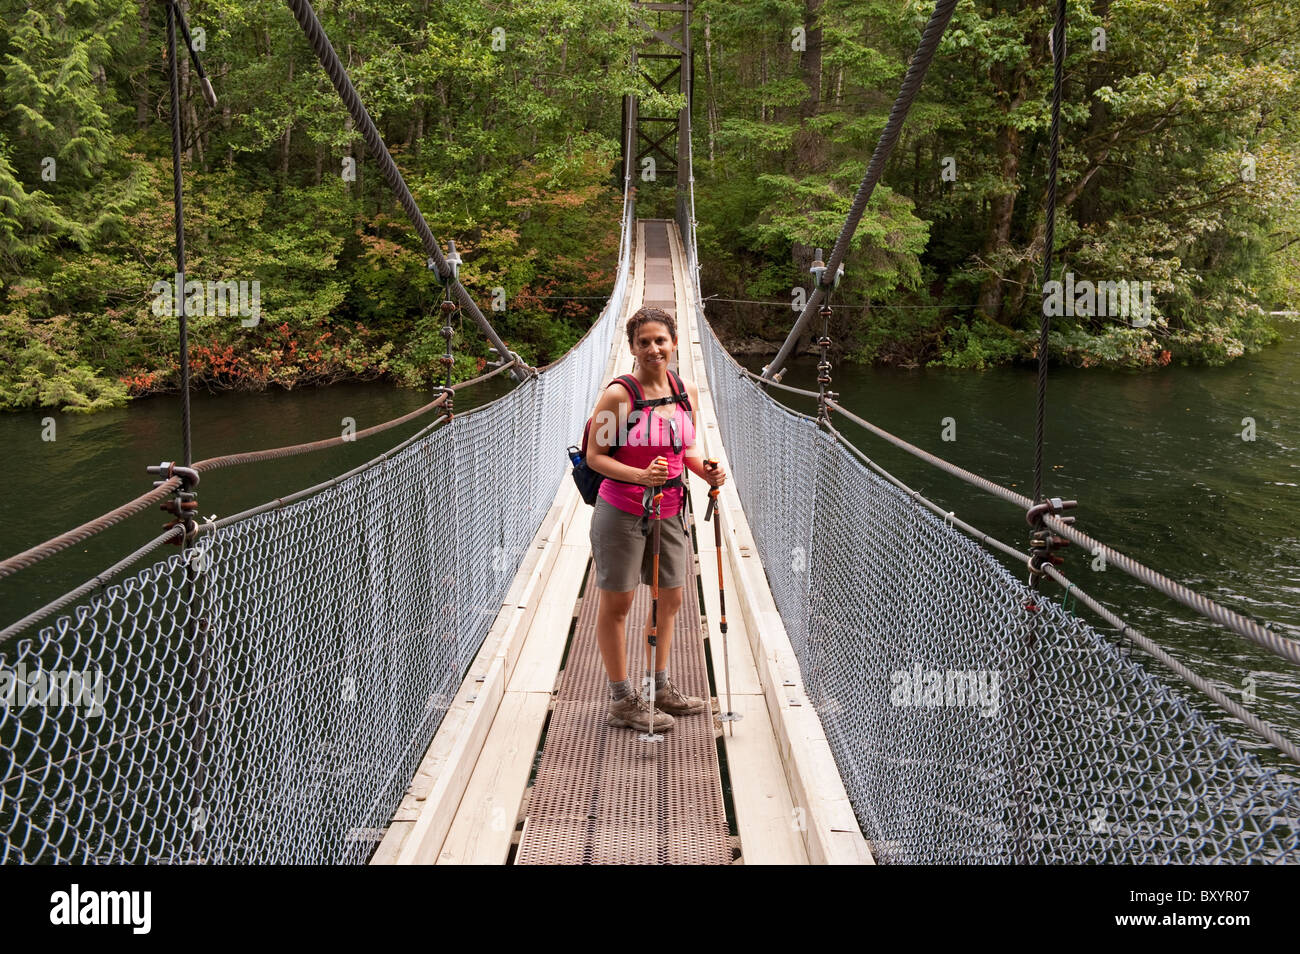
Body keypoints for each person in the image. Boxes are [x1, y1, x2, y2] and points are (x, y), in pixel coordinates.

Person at [584, 306, 728, 734]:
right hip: (622, 511)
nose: (653, 348)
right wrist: (641, 476)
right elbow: (596, 457)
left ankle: (660, 687)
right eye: (643, 342)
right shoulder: (618, 396)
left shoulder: (686, 392)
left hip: (669, 510)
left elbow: (684, 451)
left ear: (674, 344)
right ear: (631, 348)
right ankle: (623, 700)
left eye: (660, 340)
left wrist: (706, 471)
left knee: (672, 598)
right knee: (619, 603)